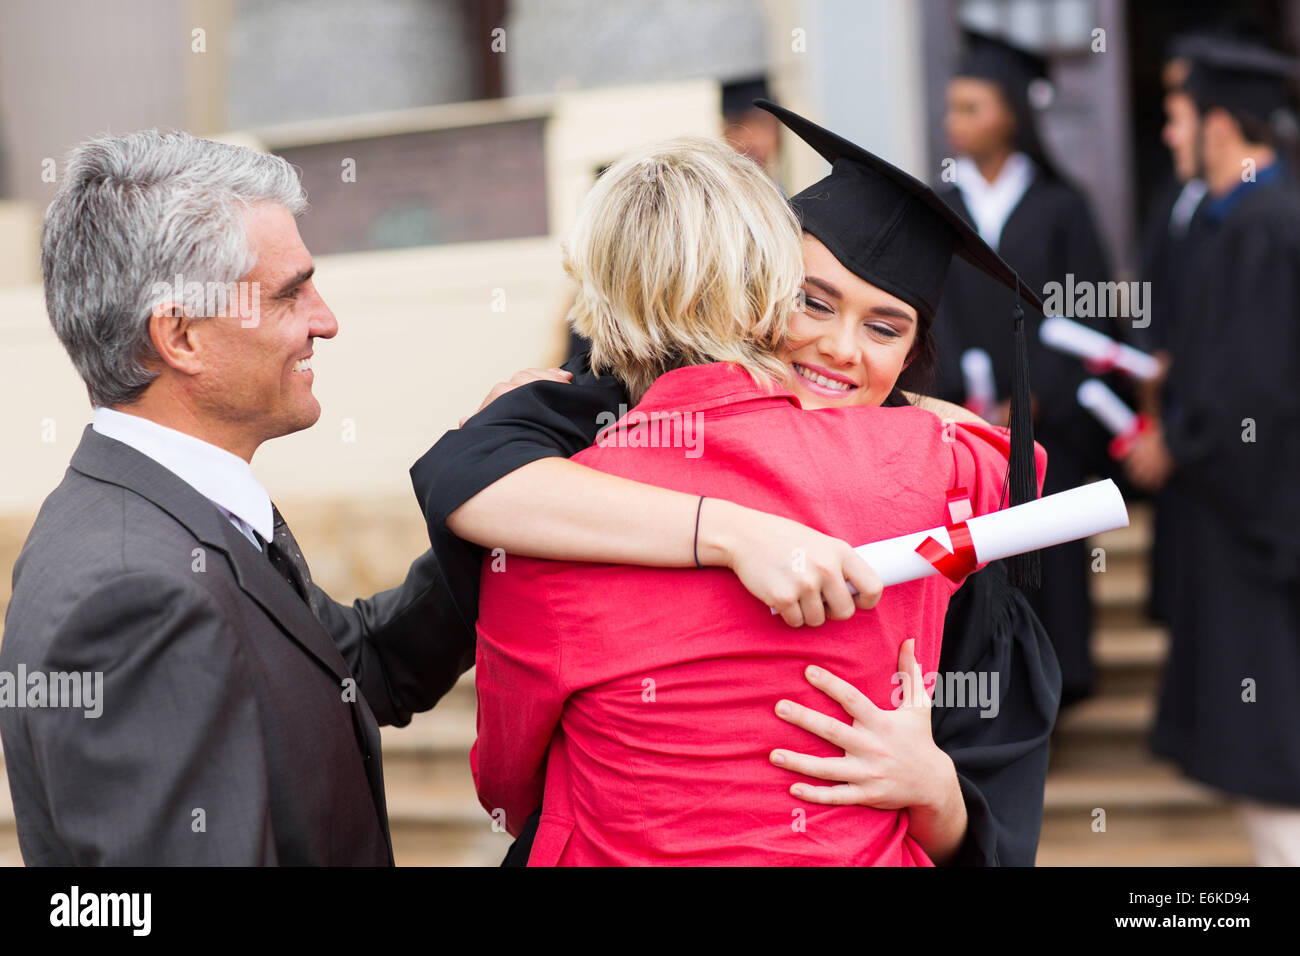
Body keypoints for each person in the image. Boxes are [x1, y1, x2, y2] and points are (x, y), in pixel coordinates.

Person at [416, 103, 1062, 867]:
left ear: (917, 351)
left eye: (886, 328)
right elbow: (464, 472)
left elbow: (994, 832)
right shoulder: (604, 406)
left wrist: (936, 788)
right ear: (749, 292)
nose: (839, 348)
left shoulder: (946, 507)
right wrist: (732, 531)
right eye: (812, 302)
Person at [0, 131, 475, 865]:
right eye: (290, 294)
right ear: (181, 337)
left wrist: (492, 494)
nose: (325, 320)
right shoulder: (133, 594)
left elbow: (357, 672)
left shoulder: (179, 513)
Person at [1123, 35, 1300, 866]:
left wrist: (1178, 443)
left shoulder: (1267, 221)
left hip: (1257, 524)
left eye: (1178, 117)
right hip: (1235, 516)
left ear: (1220, 125)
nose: (1166, 134)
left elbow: (1257, 392)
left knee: (1267, 741)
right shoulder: (1238, 214)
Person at [930, 28, 1118, 706]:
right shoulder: (941, 210)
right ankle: (988, 705)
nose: (954, 122)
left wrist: (1033, 398)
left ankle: (1054, 697)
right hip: (961, 429)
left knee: (1048, 571)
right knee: (976, 570)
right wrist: (952, 398)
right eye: (952, 107)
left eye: (971, 107)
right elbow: (927, 314)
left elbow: (1085, 320)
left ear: (1009, 111)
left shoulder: (1060, 208)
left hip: (1041, 432)